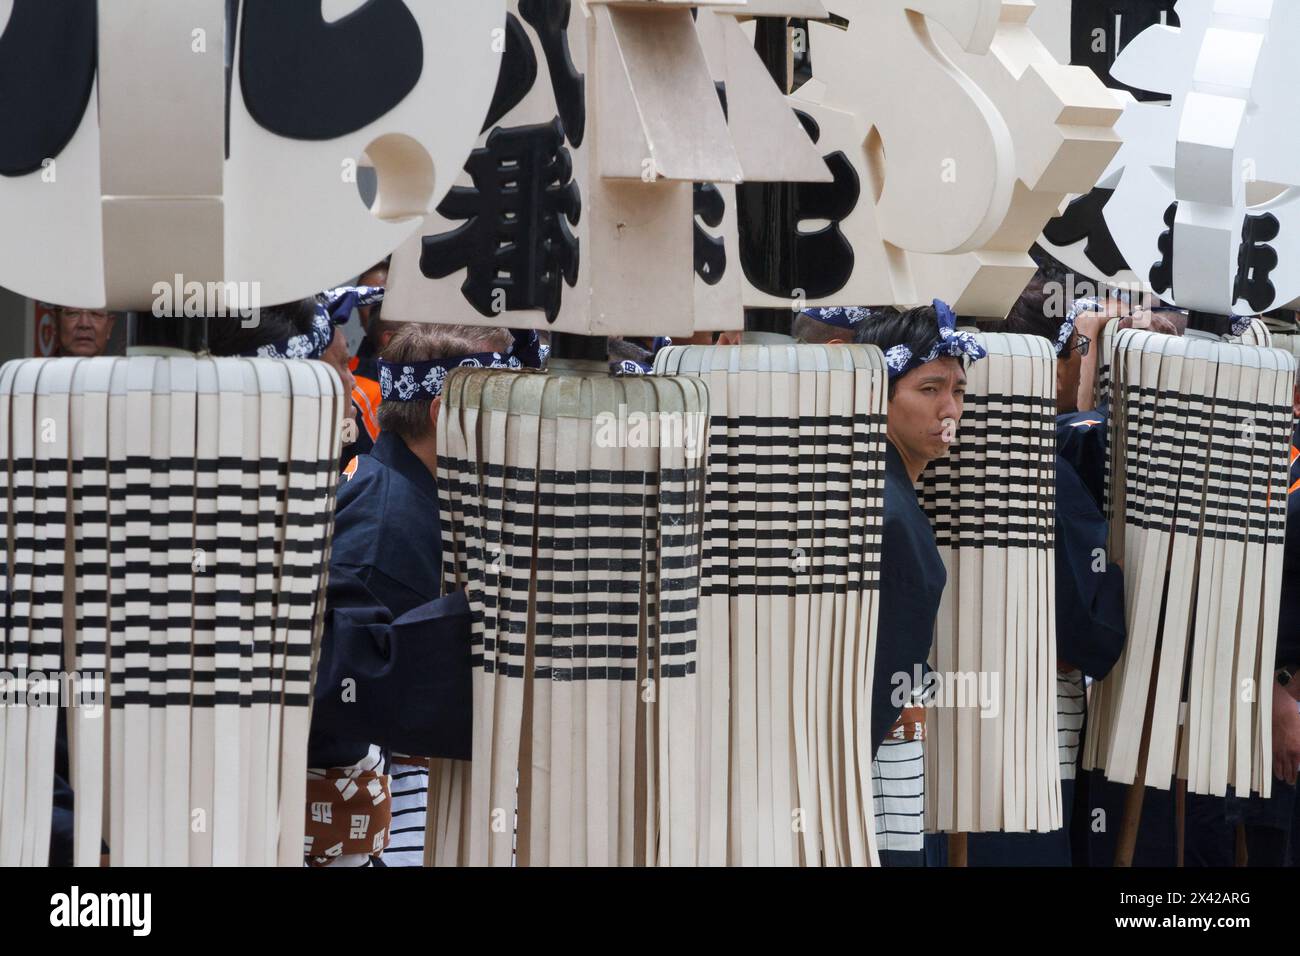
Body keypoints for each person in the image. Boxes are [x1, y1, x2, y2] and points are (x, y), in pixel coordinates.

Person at [964, 272, 1128, 866]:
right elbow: (1090, 636)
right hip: (1025, 737)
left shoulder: (917, 460)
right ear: (1052, 360)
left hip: (932, 739)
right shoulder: (1039, 474)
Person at [853, 300, 985, 866]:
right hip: (873, 746)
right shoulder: (888, 510)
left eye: (957, 390)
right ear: (879, 396)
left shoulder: (889, 494)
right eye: (929, 389)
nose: (948, 407)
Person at [48, 305, 119, 357]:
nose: (84, 324)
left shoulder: (121, 376)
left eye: (95, 314)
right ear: (55, 322)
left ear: (109, 326)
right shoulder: (40, 375)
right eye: (73, 313)